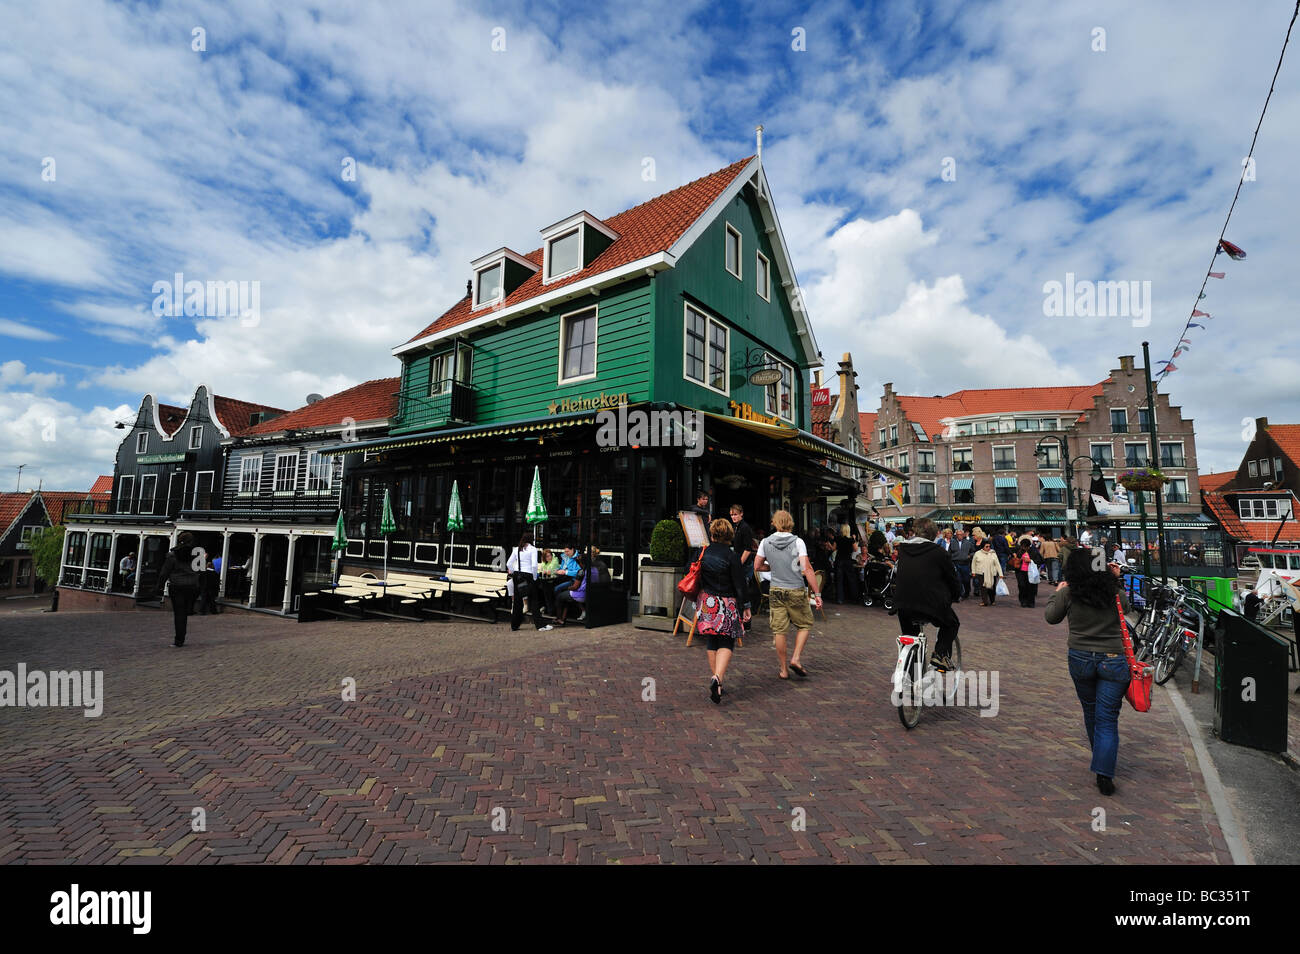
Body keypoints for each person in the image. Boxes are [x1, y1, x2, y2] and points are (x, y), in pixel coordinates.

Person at [1045, 547, 1132, 797]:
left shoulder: (1070, 592)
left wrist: (1056, 593)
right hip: (1113, 658)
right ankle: (1104, 773)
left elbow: (1051, 617)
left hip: (1081, 657)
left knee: (1091, 711)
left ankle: (1100, 760)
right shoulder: (1113, 592)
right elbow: (1126, 608)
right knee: (1107, 718)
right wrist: (1116, 580)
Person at [755, 510, 823, 680]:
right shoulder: (798, 542)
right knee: (805, 624)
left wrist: (773, 567)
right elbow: (807, 569)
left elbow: (757, 566)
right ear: (790, 522)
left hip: (776, 590)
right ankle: (796, 658)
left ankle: (783, 670)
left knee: (779, 630)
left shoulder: (765, 542)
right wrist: (817, 593)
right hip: (795, 589)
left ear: (774, 522)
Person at [895, 518, 962, 671]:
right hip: (930, 604)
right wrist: (956, 594)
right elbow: (952, 579)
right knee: (952, 623)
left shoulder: (904, 550)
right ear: (934, 534)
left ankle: (911, 677)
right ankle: (940, 654)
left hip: (903, 603)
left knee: (910, 638)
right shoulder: (939, 553)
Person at [697, 518, 751, 704]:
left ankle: (717, 682)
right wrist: (745, 606)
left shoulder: (703, 552)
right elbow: (740, 585)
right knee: (727, 640)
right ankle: (718, 677)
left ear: (712, 534)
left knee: (712, 640)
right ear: (730, 535)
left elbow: (692, 571)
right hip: (727, 602)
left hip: (708, 601)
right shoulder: (732, 556)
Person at [156, 532, 201, 647]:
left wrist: (160, 586)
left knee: (179, 613)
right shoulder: (197, 555)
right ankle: (189, 613)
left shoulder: (172, 555)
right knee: (185, 611)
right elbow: (201, 571)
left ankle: (179, 639)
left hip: (177, 586)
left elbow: (164, 572)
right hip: (192, 586)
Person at [506, 535, 553, 632]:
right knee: (533, 600)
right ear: (532, 540)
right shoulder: (533, 549)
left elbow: (508, 563)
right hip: (528, 575)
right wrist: (535, 577)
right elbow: (534, 565)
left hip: (517, 575)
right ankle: (540, 625)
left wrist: (513, 571)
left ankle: (514, 625)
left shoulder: (516, 549)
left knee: (517, 601)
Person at [729, 505, 757, 632]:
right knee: (742, 592)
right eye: (731, 515)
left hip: (744, 565)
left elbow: (748, 549)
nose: (733, 517)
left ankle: (747, 623)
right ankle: (744, 622)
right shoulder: (737, 527)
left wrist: (739, 564)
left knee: (743, 592)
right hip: (741, 563)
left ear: (741, 514)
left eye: (735, 514)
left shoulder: (744, 528)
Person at [971, 539, 1004, 606]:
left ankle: (992, 600)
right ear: (983, 547)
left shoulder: (993, 553)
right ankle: (985, 601)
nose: (988, 548)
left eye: (989, 546)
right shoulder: (977, 553)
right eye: (986, 546)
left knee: (992, 588)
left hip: (992, 573)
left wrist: (1001, 574)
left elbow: (997, 564)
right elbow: (973, 563)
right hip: (981, 573)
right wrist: (973, 572)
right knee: (983, 588)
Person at [948, 529, 973, 600]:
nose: (959, 536)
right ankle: (961, 594)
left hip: (965, 564)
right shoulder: (952, 542)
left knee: (966, 580)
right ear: (956, 535)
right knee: (958, 580)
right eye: (958, 534)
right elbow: (949, 552)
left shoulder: (968, 542)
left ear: (963, 535)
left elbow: (973, 551)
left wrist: (969, 556)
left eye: (961, 534)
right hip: (956, 563)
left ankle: (967, 592)